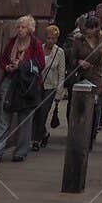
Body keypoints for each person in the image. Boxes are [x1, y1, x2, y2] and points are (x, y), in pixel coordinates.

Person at [0, 15, 45, 162]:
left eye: (23, 27)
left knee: (25, 120)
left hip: (26, 85)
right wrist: (7, 67)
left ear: (29, 29)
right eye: (19, 27)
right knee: (3, 117)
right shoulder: (12, 43)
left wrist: (21, 66)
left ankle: (20, 152)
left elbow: (40, 65)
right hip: (10, 82)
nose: (20, 30)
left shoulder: (35, 44)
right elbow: (3, 60)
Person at [31, 23, 68, 153]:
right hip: (38, 85)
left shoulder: (60, 52)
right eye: (48, 38)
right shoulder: (39, 49)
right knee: (36, 111)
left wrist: (59, 93)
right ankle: (44, 133)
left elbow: (61, 73)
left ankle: (36, 140)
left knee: (43, 111)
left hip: (51, 86)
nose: (51, 40)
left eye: (53, 38)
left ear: (57, 39)